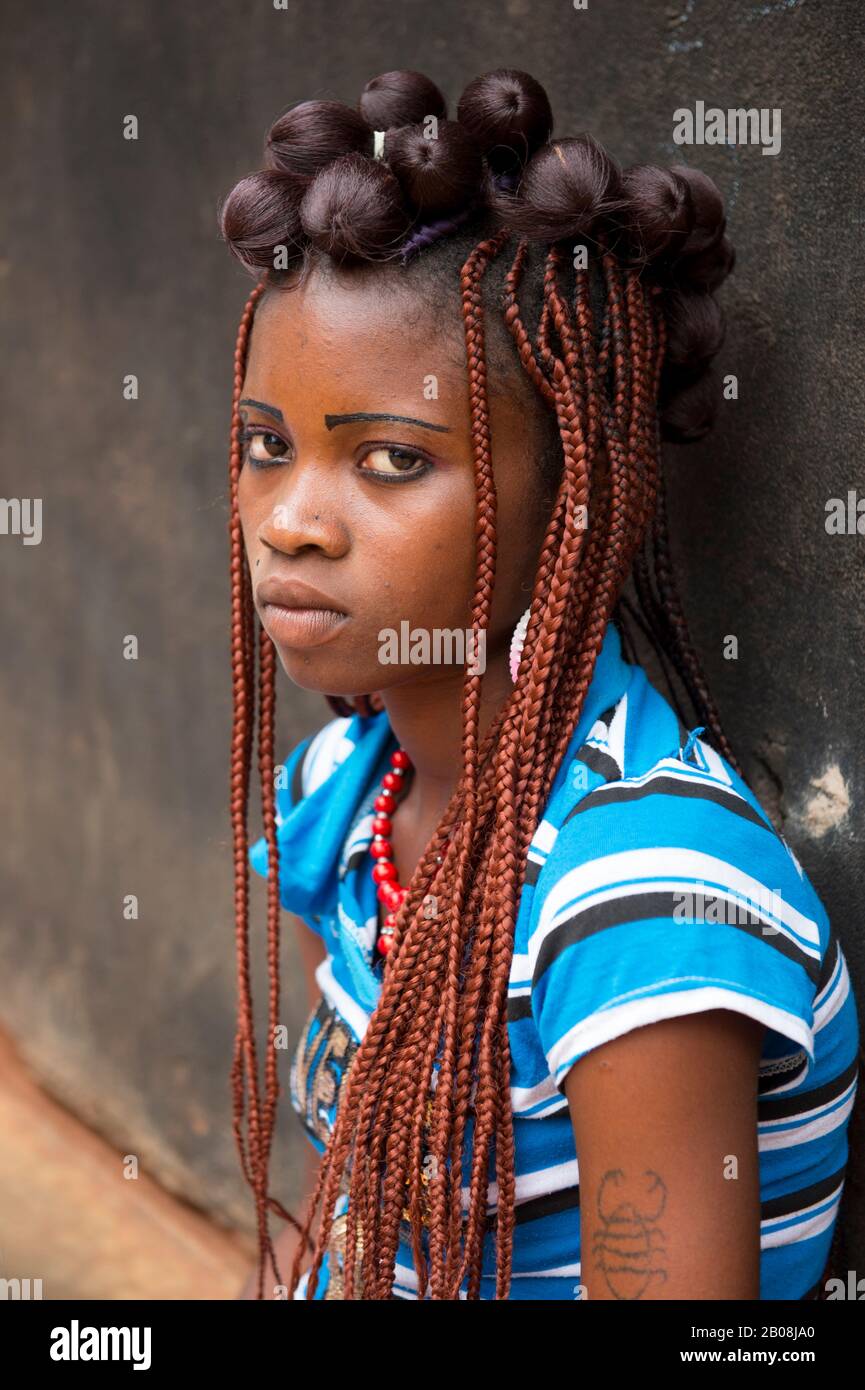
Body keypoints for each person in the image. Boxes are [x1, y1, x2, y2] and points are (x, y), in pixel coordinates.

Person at [221, 68, 859, 1300]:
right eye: (266, 444)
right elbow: (342, 1223)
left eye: (391, 459)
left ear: (574, 491)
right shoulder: (339, 794)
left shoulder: (642, 902)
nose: (291, 519)